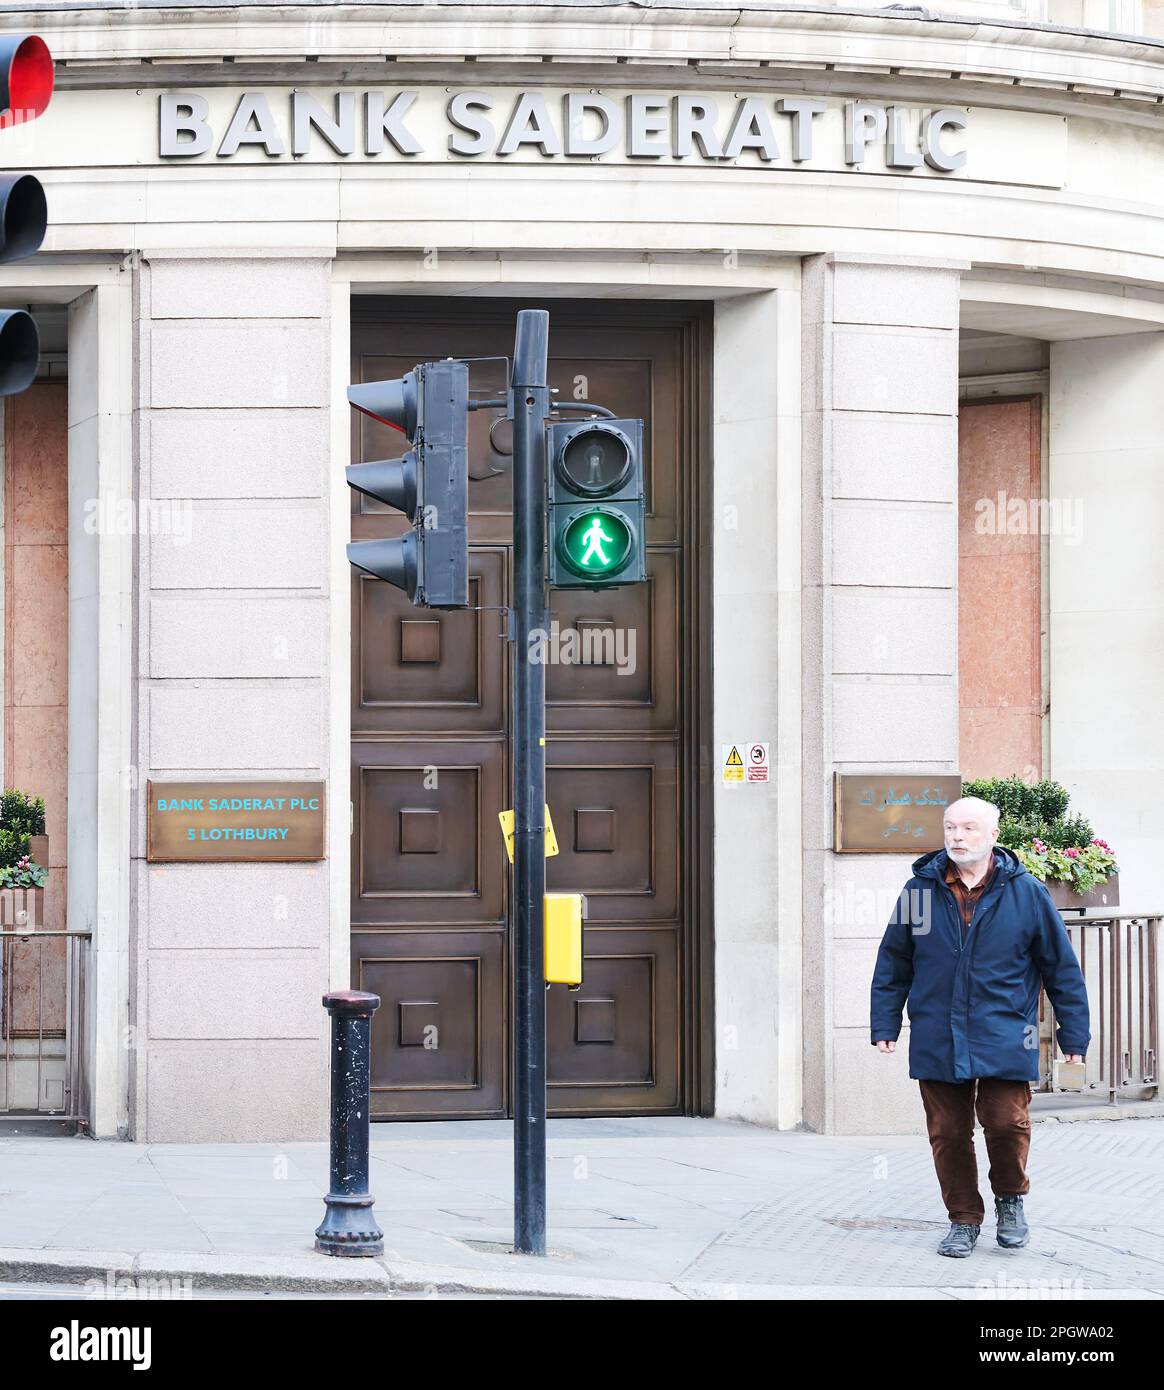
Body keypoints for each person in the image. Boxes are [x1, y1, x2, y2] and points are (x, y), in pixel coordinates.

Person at [869, 796, 1090, 1258]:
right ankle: (964, 1219)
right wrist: (884, 1021)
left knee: (1007, 1122)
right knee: (948, 1132)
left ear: (993, 835)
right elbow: (894, 960)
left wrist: (1074, 1035)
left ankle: (1010, 1200)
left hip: (1004, 1029)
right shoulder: (920, 892)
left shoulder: (1026, 892)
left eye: (968, 828)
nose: (956, 836)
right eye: (951, 827)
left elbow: (1060, 968)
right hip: (937, 1031)